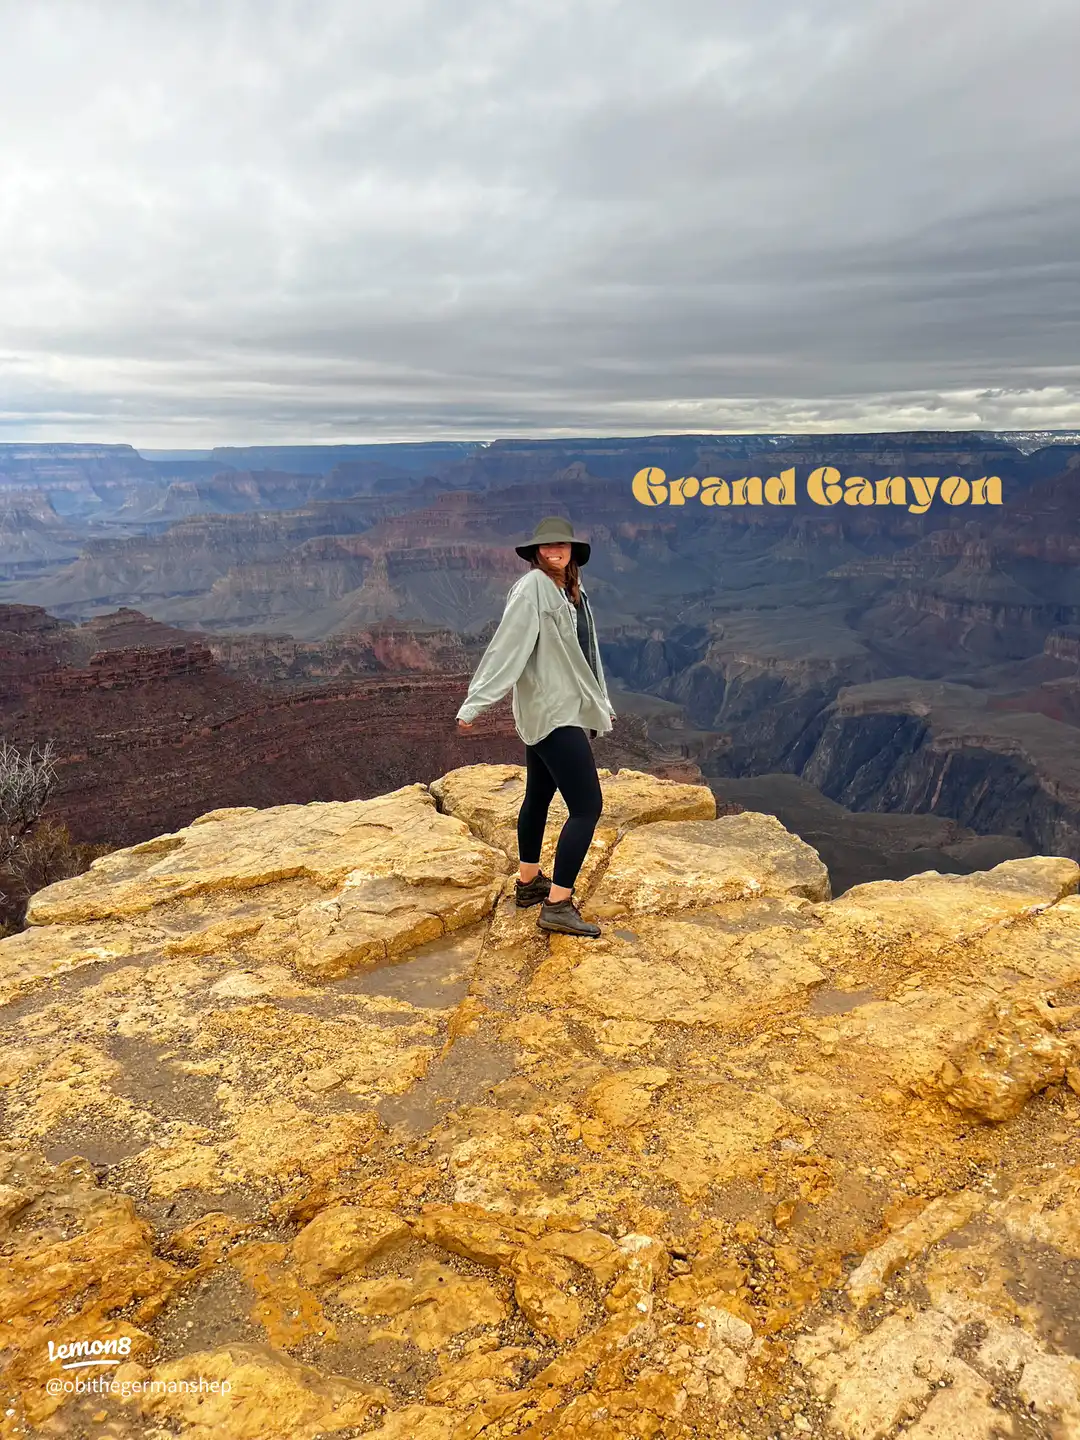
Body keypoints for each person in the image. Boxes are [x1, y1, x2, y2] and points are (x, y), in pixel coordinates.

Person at [456, 516, 616, 937]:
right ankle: (558, 905)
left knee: (539, 795)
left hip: (558, 707)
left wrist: (601, 703)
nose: (553, 551)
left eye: (560, 544)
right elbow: (507, 646)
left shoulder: (572, 592)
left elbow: (586, 654)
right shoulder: (533, 589)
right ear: (536, 552)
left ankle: (528, 884)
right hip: (552, 711)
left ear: (571, 550)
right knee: (587, 807)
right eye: (546, 546)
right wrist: (476, 703)